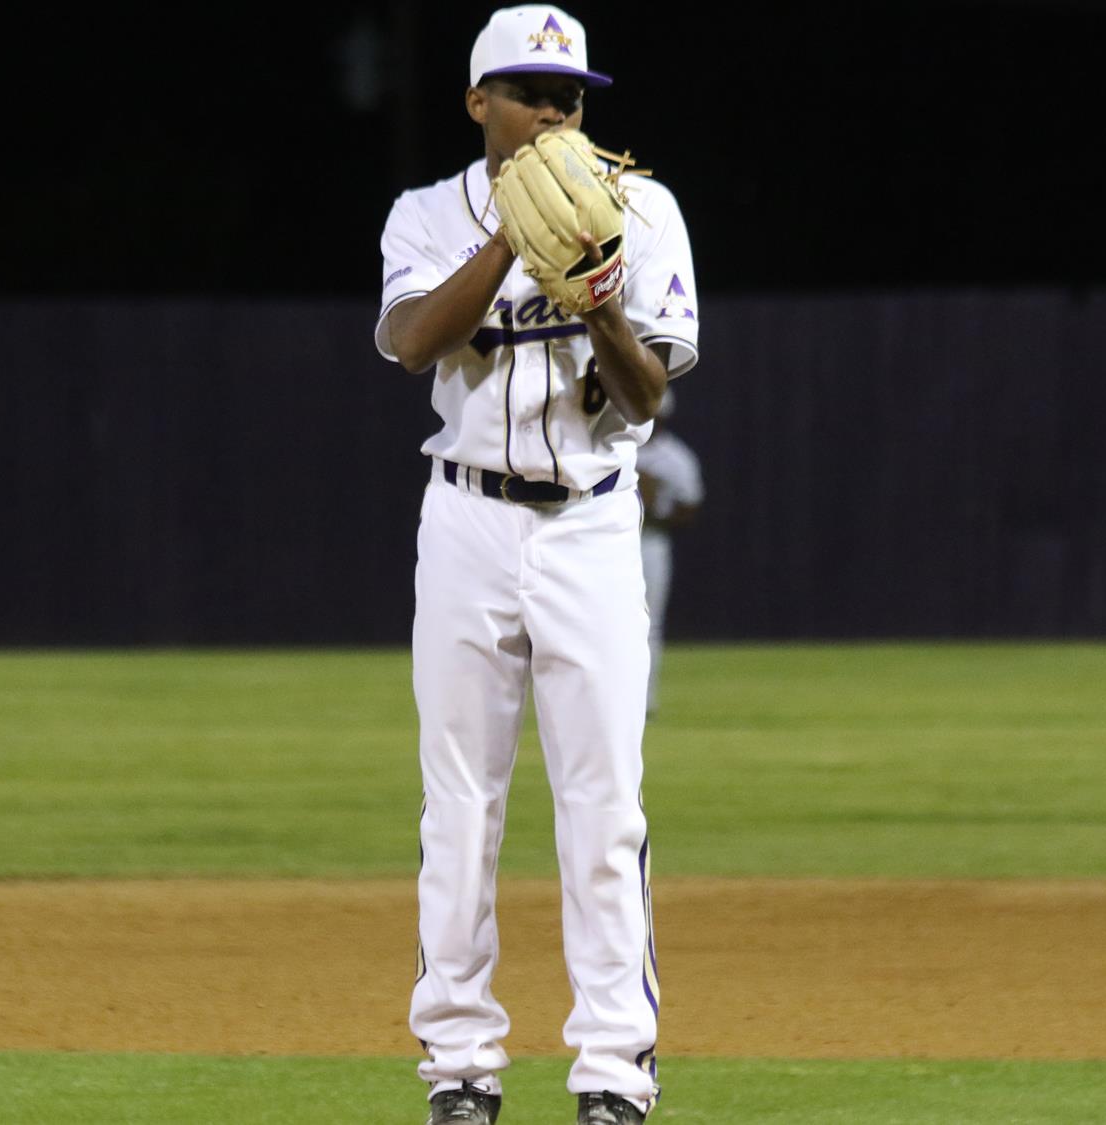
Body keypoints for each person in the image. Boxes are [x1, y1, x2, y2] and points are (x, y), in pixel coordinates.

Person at [373, 7, 699, 1123]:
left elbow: (642, 396)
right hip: (466, 522)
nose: (555, 113)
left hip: (591, 528)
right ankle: (460, 1069)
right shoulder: (425, 213)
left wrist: (599, 300)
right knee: (458, 806)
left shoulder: (641, 211)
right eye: (529, 93)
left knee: (604, 806)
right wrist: (514, 237)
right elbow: (413, 342)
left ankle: (614, 1073)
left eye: (569, 96)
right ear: (479, 101)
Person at [635, 388, 704, 715]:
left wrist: (653, 512)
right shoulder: (609, 446)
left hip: (650, 542)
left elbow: (689, 509)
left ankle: (644, 700)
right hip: (603, 541)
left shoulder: (676, 457)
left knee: (650, 624)